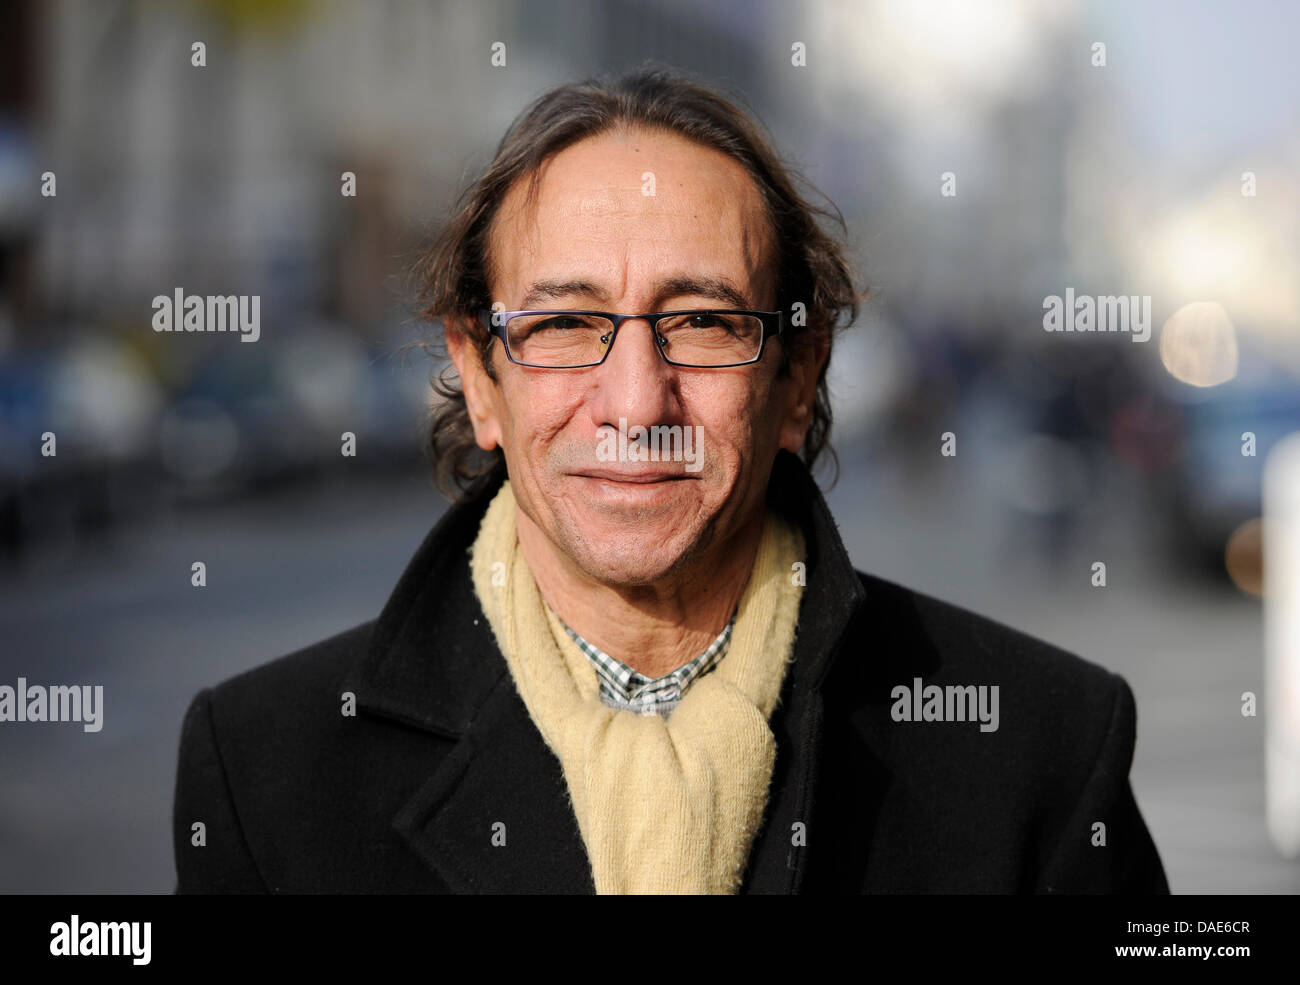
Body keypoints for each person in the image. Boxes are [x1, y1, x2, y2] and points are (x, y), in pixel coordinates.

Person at [172, 64, 1169, 894]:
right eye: (564, 325)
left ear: (796, 376)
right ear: (479, 377)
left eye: (701, 321)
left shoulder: (1038, 748)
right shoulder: (267, 766)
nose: (636, 402)